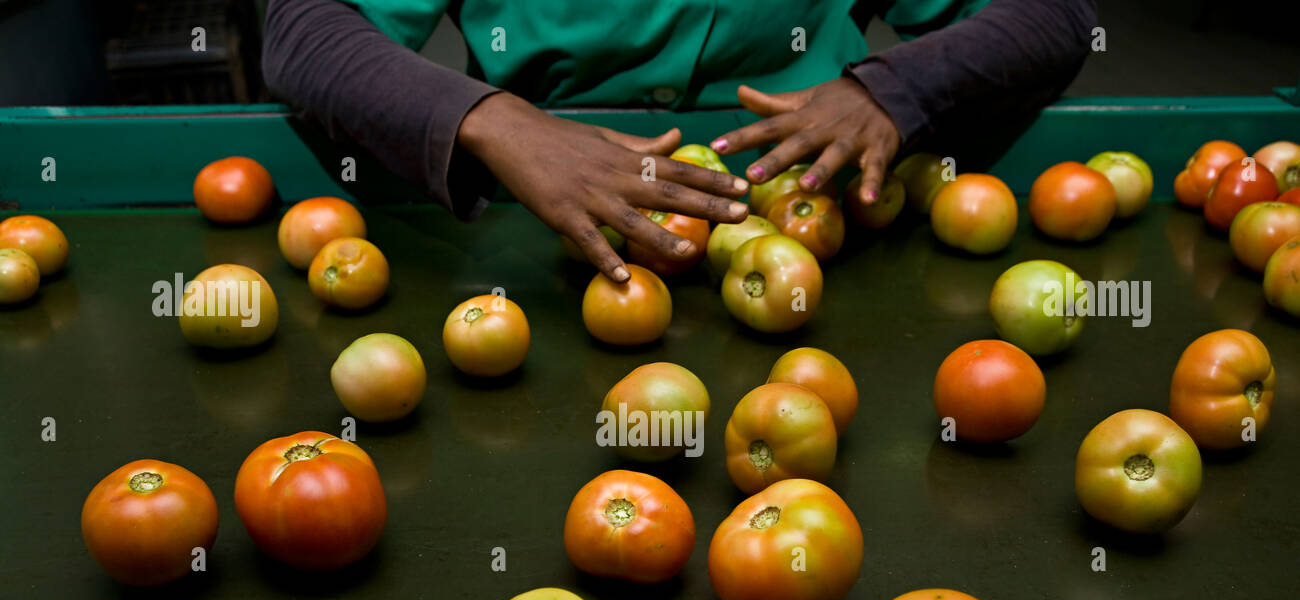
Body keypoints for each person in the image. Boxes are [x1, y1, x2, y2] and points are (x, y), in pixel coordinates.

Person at [263, 0, 1095, 281]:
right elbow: (302, 27)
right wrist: (495, 120)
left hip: (829, 223)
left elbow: (1055, 14)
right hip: (540, 244)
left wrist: (893, 89)